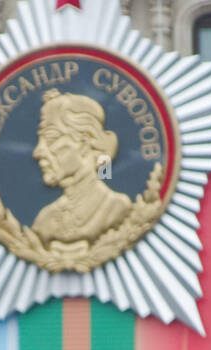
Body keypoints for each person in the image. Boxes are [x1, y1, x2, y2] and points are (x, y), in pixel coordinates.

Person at [30, 89, 135, 245]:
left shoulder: (119, 209)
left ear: (85, 143)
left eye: (51, 138)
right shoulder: (45, 220)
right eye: (40, 141)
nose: (37, 152)